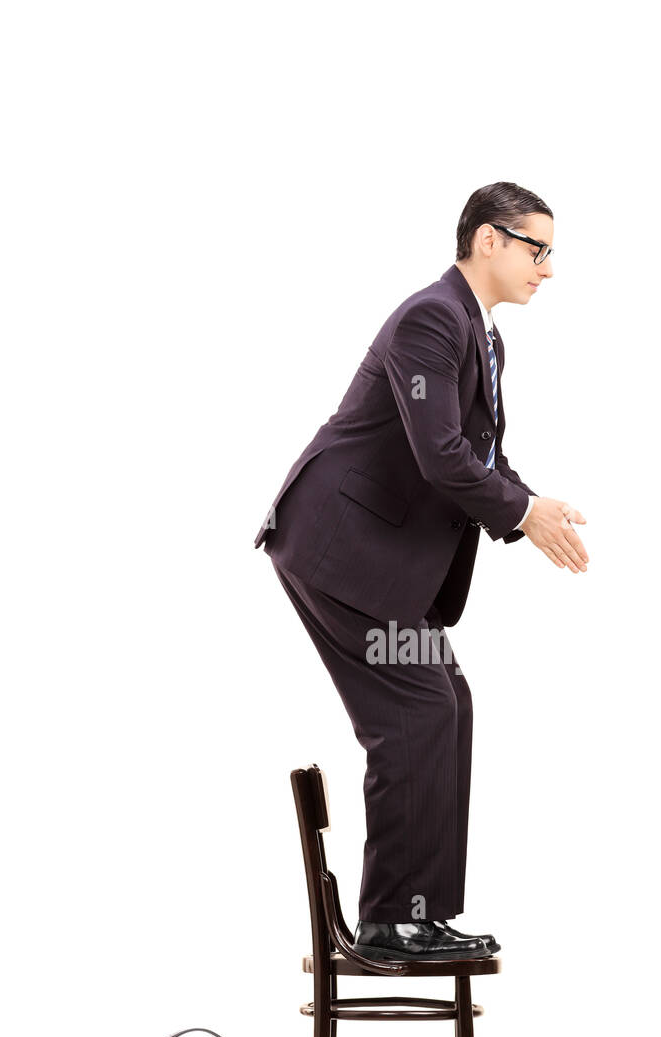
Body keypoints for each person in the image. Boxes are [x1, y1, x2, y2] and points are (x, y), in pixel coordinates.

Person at [254, 181, 588, 963]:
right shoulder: (431, 319)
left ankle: (420, 915)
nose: (547, 268)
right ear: (489, 240)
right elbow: (441, 455)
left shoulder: (480, 336)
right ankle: (390, 923)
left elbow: (476, 455)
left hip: (378, 564)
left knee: (447, 702)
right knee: (416, 710)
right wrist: (523, 513)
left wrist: (531, 505)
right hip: (342, 554)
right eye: (537, 249)